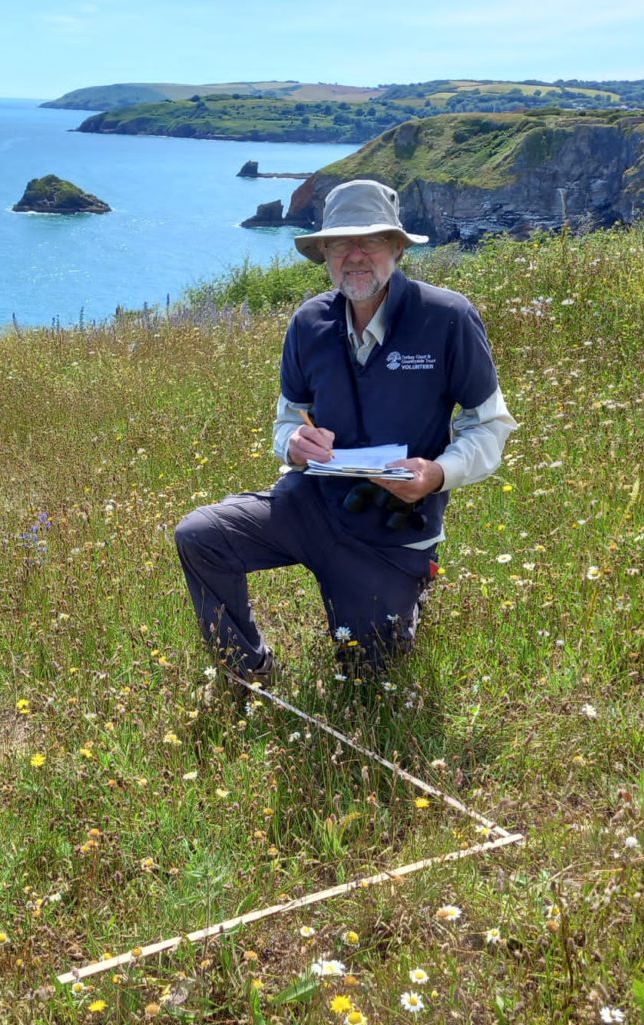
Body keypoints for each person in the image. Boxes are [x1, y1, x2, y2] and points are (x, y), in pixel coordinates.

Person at [174, 179, 517, 687]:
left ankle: (408, 597)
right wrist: (290, 443)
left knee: (368, 680)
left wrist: (439, 473)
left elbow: (489, 425)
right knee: (199, 536)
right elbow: (288, 417)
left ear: (397, 247)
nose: (355, 256)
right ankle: (250, 674)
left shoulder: (447, 317)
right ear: (325, 254)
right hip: (308, 506)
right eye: (340, 243)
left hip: (395, 530)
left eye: (371, 240)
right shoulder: (309, 322)